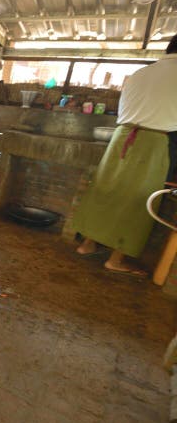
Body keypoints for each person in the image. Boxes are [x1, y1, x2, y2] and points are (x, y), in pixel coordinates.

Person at [72, 34, 177, 276]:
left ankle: (86, 244)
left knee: (105, 190)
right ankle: (115, 259)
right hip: (154, 141)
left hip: (121, 138)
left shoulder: (142, 73)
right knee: (138, 200)